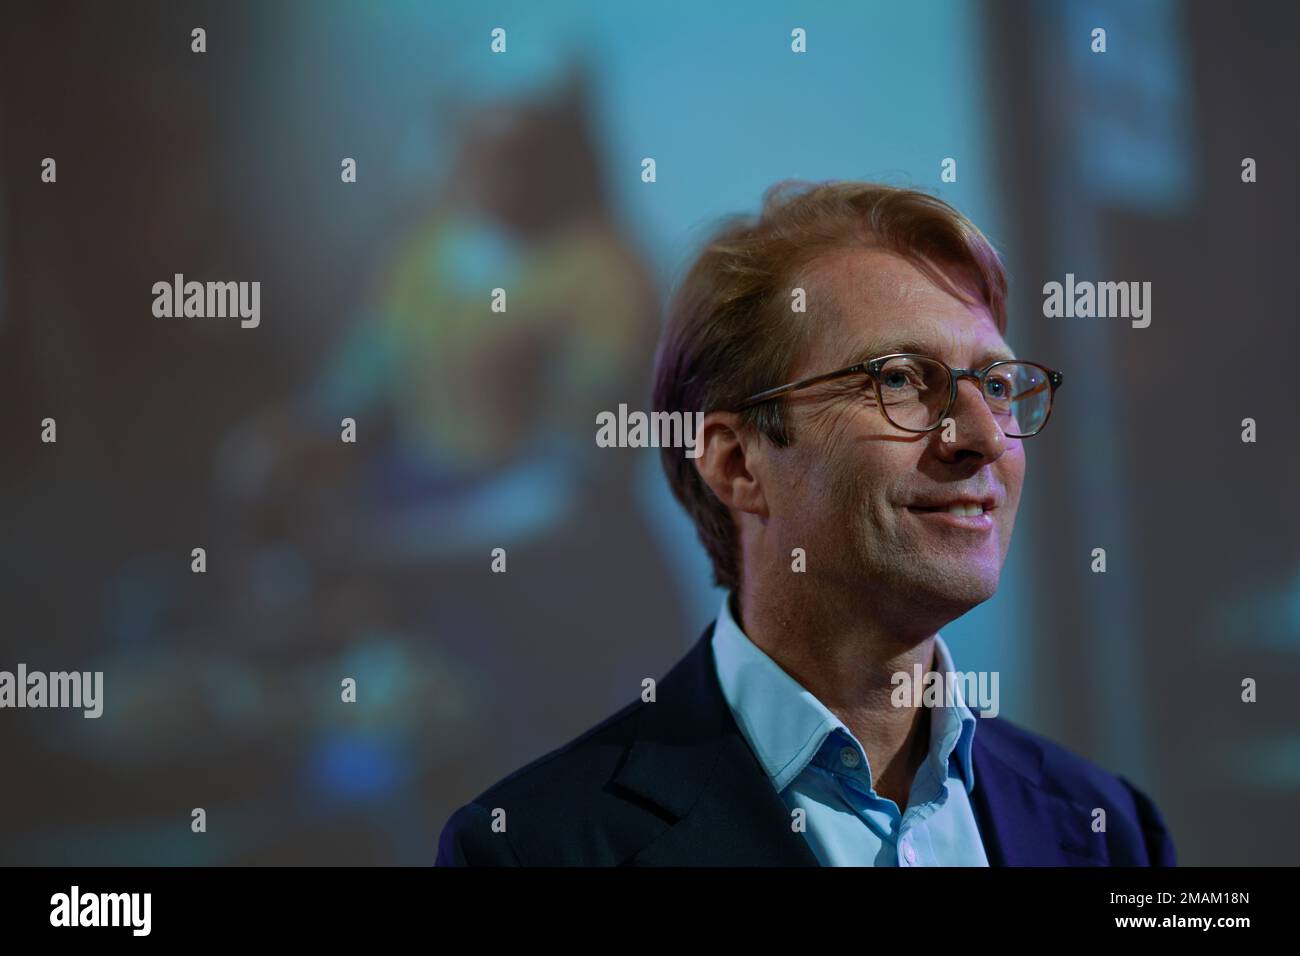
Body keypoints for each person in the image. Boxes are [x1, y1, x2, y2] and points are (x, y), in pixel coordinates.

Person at [435, 181, 1176, 866]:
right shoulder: (531, 852)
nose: (982, 436)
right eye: (899, 380)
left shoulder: (1108, 828)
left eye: (998, 385)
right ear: (736, 463)